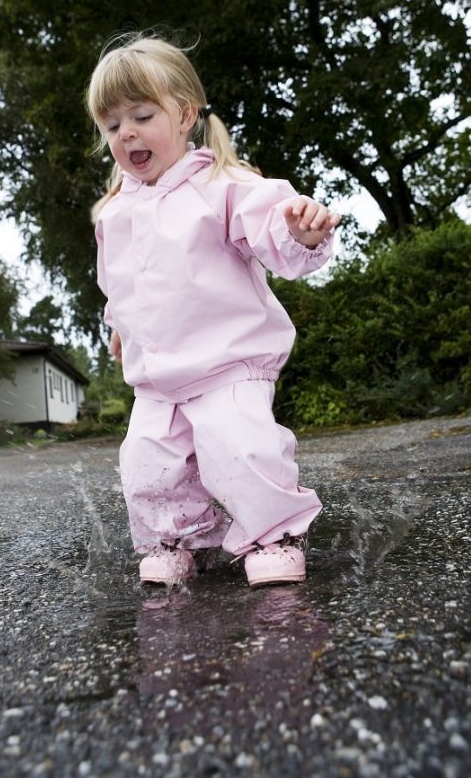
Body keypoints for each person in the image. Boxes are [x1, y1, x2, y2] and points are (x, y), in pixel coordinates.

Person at [87, 34, 341, 587]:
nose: (125, 131)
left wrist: (296, 228)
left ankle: (273, 535)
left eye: (141, 114)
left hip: (227, 362)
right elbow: (119, 282)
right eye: (111, 124)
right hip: (157, 376)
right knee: (148, 463)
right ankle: (174, 539)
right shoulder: (113, 213)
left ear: (183, 114)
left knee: (240, 448)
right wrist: (120, 327)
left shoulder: (220, 185)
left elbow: (271, 224)